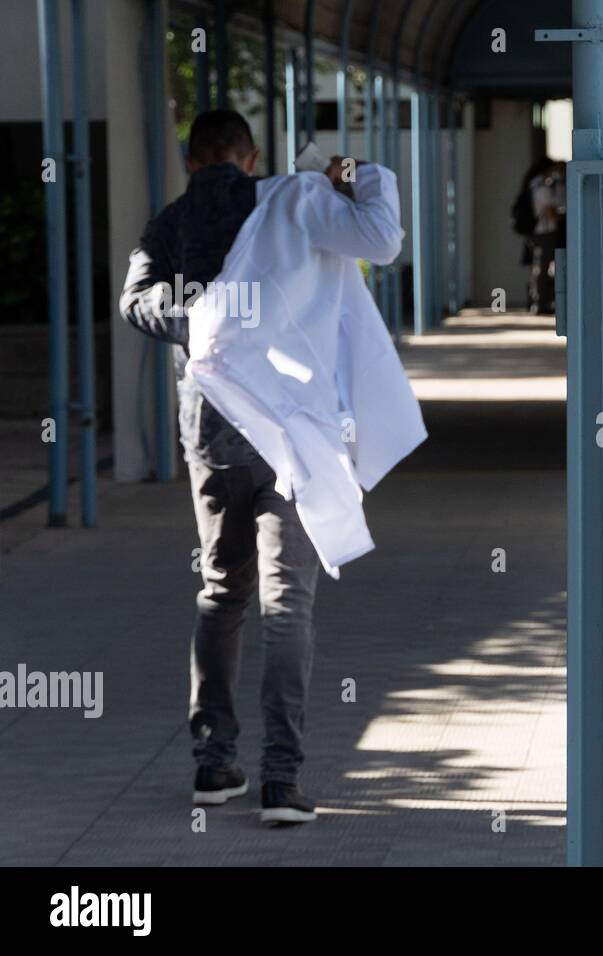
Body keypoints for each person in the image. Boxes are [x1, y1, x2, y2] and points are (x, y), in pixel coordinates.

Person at [119, 109, 370, 825]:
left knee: (221, 592)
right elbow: (361, 227)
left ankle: (213, 764)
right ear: (250, 155)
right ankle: (281, 782)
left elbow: (135, 303)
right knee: (287, 604)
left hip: (212, 434)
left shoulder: (170, 220)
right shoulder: (282, 204)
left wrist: (199, 319)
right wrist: (342, 171)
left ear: (190, 160)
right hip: (288, 429)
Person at [527, 159, 566, 313]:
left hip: (540, 231)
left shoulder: (535, 185)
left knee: (540, 267)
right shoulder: (542, 188)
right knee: (543, 268)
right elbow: (550, 214)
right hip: (545, 231)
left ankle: (539, 300)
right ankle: (540, 302)